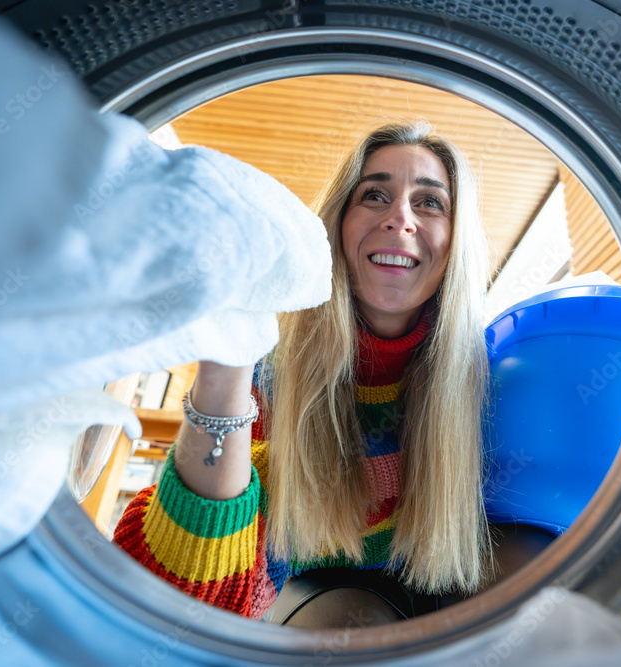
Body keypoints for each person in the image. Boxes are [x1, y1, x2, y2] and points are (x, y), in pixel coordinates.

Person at [113, 120, 494, 623]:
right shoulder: (274, 379)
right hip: (316, 614)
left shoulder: (492, 377)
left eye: (429, 202)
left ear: (456, 240)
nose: (400, 218)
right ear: (337, 227)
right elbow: (176, 598)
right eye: (374, 195)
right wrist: (229, 358)